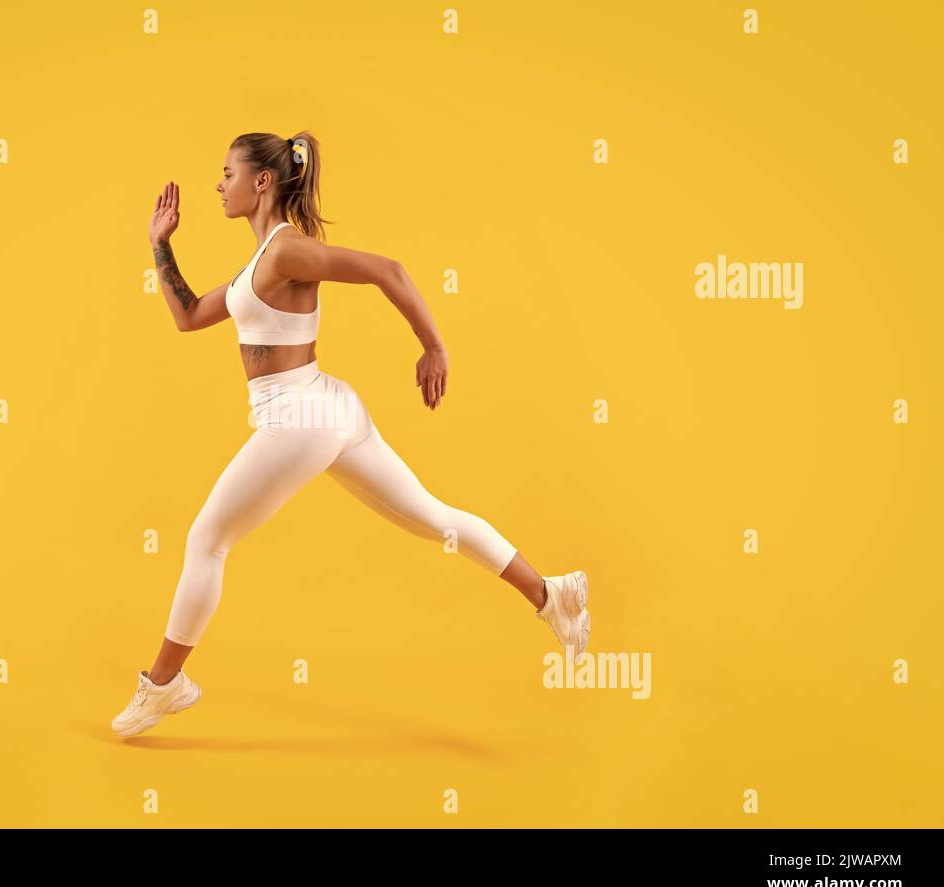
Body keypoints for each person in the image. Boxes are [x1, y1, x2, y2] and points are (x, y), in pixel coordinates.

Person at [112, 132, 589, 737]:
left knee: (206, 539)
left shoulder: (287, 252)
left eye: (227, 172)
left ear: (261, 182)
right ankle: (553, 596)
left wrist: (434, 346)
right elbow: (186, 317)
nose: (217, 184)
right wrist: (161, 247)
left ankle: (163, 685)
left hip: (301, 417)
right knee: (431, 516)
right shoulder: (258, 263)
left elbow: (387, 270)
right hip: (328, 409)